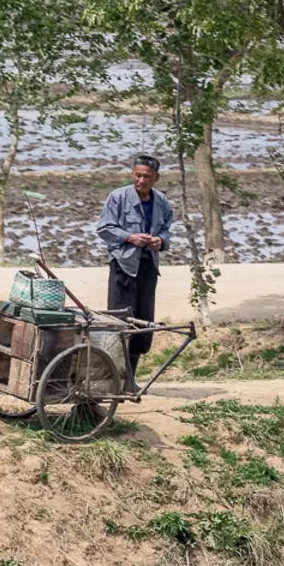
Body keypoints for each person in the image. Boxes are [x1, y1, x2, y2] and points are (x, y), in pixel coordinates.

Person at [96, 154, 173, 390]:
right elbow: (104, 228)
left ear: (156, 178)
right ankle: (114, 379)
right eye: (138, 175)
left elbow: (167, 230)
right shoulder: (118, 197)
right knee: (120, 322)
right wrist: (130, 237)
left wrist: (160, 241)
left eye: (147, 177)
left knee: (142, 322)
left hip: (148, 266)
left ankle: (130, 380)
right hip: (123, 266)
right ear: (132, 174)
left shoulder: (162, 202)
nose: (142, 180)